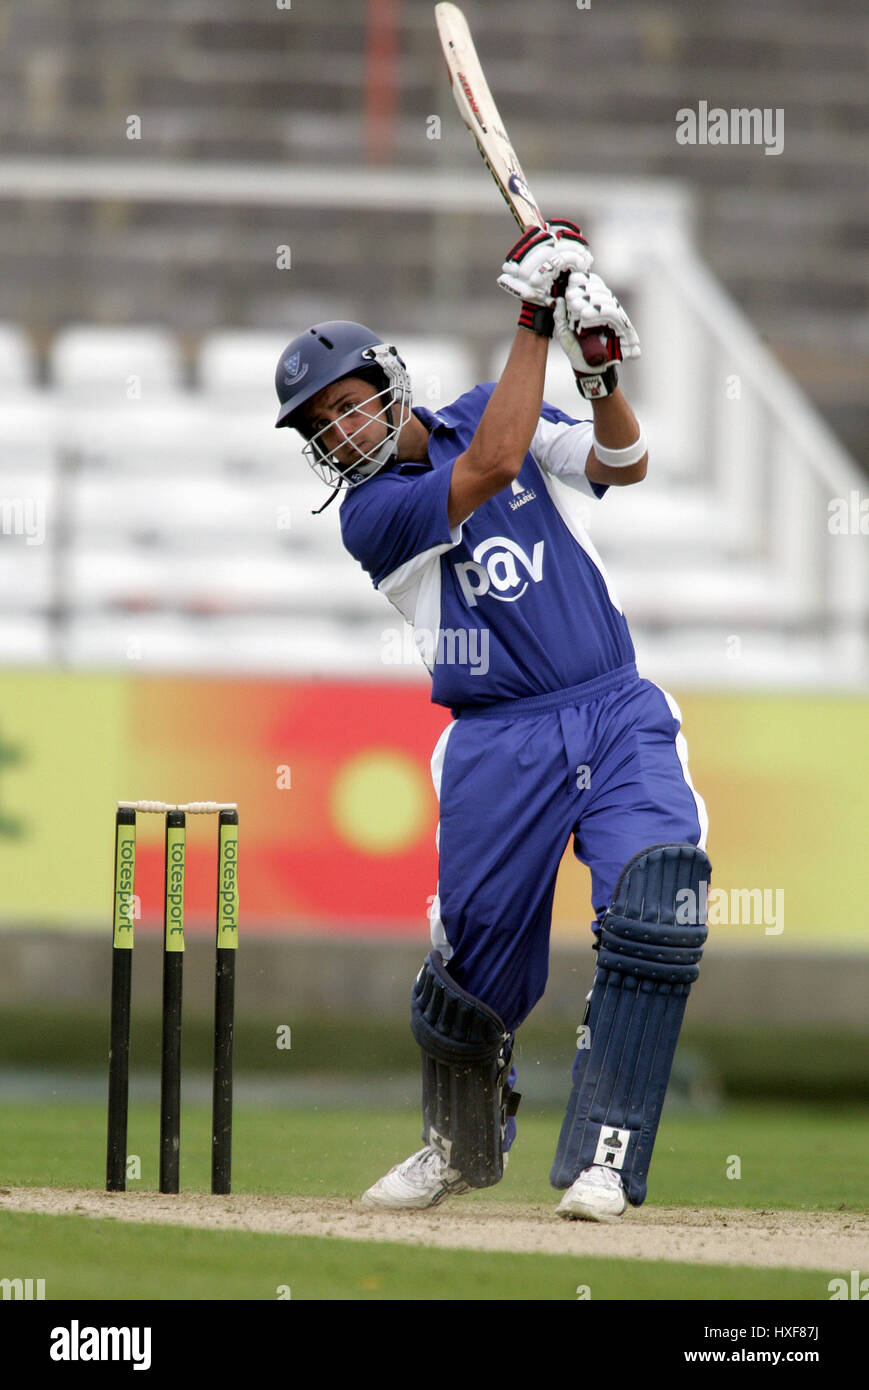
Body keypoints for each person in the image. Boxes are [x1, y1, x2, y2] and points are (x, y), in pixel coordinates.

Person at [274, 221, 710, 1222]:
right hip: (495, 742)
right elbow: (491, 464)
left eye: (345, 406)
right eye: (318, 429)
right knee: (469, 972)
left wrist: (595, 372)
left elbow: (624, 460)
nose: (340, 434)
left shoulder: (480, 407)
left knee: (652, 902)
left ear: (388, 381)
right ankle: (459, 1145)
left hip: (608, 708)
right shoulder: (370, 516)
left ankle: (604, 1152)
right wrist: (532, 314)